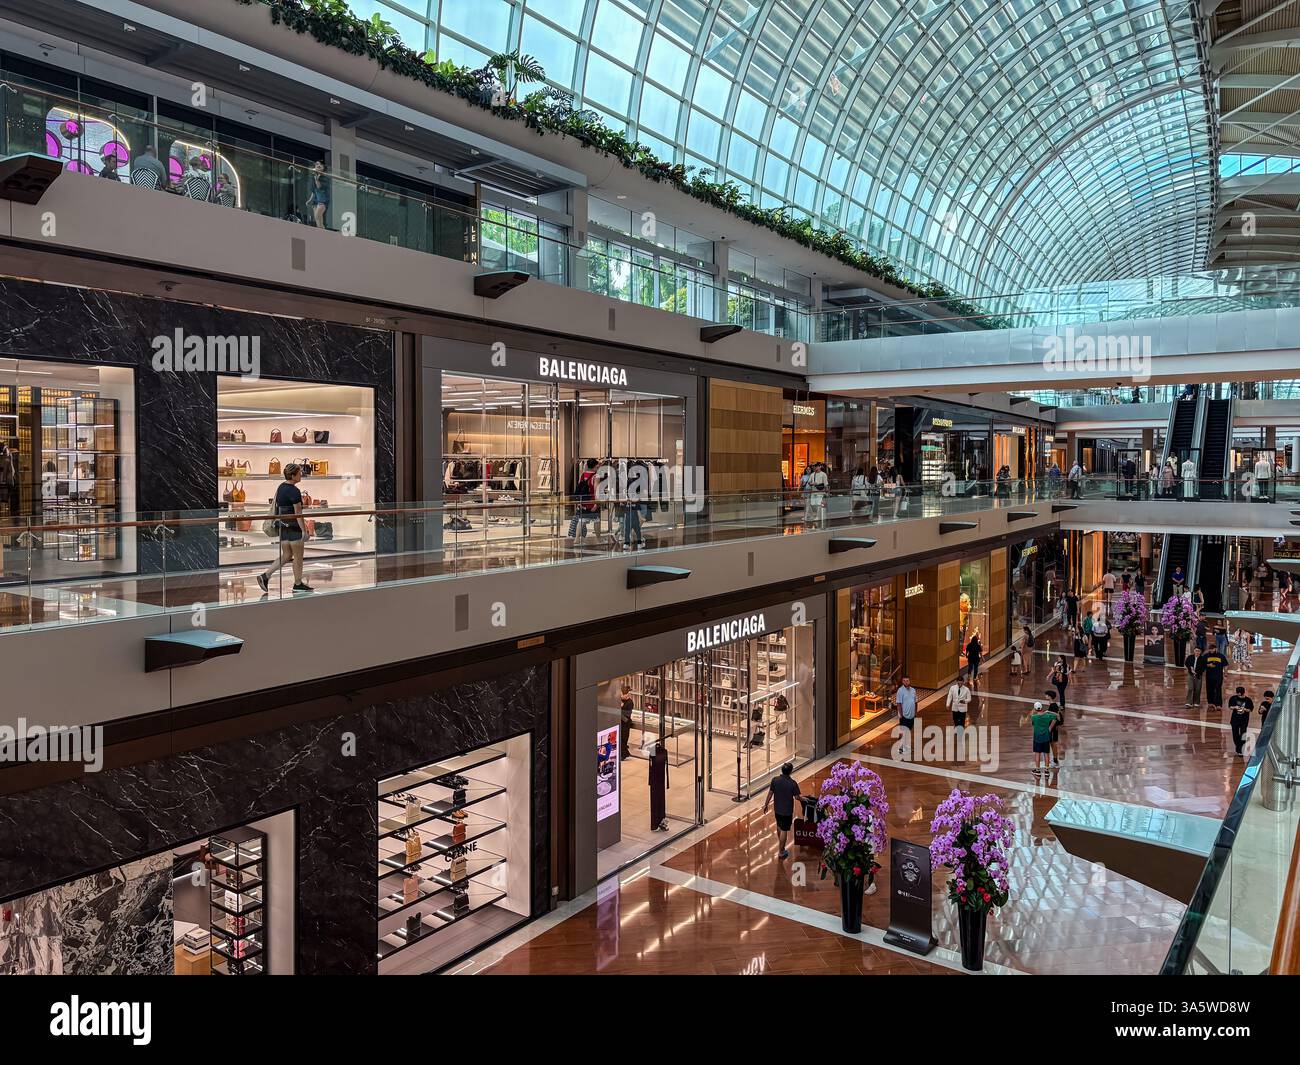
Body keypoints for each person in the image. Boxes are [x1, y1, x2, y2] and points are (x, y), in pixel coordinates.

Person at [256, 463, 313, 594]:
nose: (301, 475)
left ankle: (265, 576)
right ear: (293, 475)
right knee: (298, 556)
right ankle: (298, 584)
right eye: (299, 473)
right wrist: (304, 531)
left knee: (287, 555)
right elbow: (298, 513)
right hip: (293, 527)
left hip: (282, 526)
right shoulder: (294, 491)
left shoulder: (281, 487)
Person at [763, 762, 801, 860]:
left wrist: (766, 805)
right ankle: (781, 851)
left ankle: (781, 845)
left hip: (777, 809)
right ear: (790, 771)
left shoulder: (775, 780)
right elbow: (797, 797)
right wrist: (804, 799)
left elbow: (770, 793)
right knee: (784, 829)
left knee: (779, 826)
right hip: (787, 811)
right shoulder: (792, 783)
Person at [566, 458, 600, 543]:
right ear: (595, 466)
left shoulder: (583, 475)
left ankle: (577, 538)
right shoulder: (596, 476)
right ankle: (598, 539)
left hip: (583, 501)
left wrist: (579, 502)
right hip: (592, 501)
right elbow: (596, 490)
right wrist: (596, 503)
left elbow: (579, 488)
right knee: (596, 520)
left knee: (581, 520)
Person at [1022, 700, 1056, 776]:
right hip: (1046, 738)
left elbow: (1033, 723)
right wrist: (1050, 727)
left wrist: (1034, 712)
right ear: (1042, 708)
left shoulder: (1034, 717)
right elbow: (1055, 716)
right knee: (1046, 754)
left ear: (1035, 708)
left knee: (1037, 754)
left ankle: (1037, 770)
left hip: (1037, 738)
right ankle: (1047, 770)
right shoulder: (1047, 716)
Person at [894, 675, 918, 755]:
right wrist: (901, 714)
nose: (906, 682)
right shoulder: (900, 691)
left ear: (909, 681)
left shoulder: (913, 690)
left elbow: (915, 702)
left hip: (912, 715)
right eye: (904, 681)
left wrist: (915, 712)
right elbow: (899, 703)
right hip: (904, 716)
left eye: (907, 680)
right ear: (902, 682)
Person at [1229, 686, 1254, 755]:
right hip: (1234, 719)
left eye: (1240, 694)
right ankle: (1238, 747)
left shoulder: (1248, 700)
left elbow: (1250, 709)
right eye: (1238, 694)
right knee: (1235, 734)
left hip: (1244, 720)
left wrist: (1245, 709)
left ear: (1243, 693)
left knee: (1243, 734)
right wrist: (1235, 707)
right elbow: (1230, 706)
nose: (1239, 695)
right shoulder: (1233, 698)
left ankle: (1240, 749)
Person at [1202, 643, 1228, 711]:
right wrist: (1208, 665)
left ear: (1216, 649)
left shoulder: (1221, 656)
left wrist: (1225, 674)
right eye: (1210, 649)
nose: (1211, 651)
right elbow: (1202, 664)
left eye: (1212, 649)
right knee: (1209, 689)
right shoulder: (1206, 656)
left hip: (1218, 676)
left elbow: (1225, 665)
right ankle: (1210, 702)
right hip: (1209, 676)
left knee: (1218, 689)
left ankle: (1218, 704)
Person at [307, 159, 330, 228]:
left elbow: (319, 187)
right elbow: (314, 191)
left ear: (323, 168)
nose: (318, 165)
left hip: (323, 200)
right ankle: (322, 232)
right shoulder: (314, 176)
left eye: (320, 165)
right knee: (318, 220)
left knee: (317, 216)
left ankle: (322, 232)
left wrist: (316, 178)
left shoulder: (324, 177)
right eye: (316, 164)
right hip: (316, 200)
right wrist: (309, 200)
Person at [806, 462, 829, 527]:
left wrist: (827, 492)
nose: (815, 468)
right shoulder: (812, 474)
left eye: (816, 466)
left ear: (819, 466)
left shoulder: (823, 474)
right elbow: (809, 482)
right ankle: (817, 516)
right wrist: (812, 484)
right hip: (814, 491)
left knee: (819, 505)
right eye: (814, 466)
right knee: (814, 504)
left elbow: (826, 484)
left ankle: (818, 516)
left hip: (820, 492)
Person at [619, 684, 634, 760]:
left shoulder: (629, 702)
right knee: (621, 738)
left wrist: (619, 711)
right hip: (621, 722)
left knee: (624, 738)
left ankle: (624, 754)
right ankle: (622, 753)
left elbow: (627, 715)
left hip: (625, 722)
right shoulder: (621, 701)